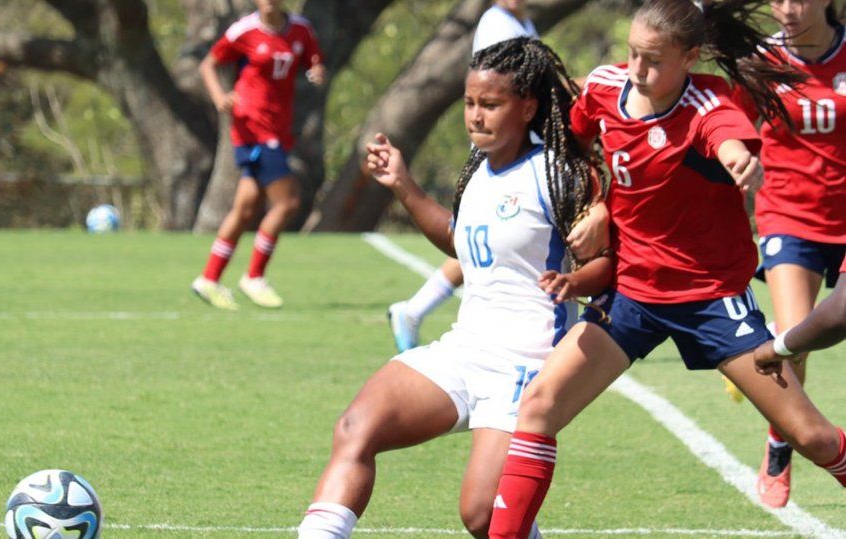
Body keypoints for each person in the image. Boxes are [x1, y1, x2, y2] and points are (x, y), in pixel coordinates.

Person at [487, 2, 846, 537]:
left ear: (690, 57)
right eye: (632, 52)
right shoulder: (607, 88)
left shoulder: (708, 103)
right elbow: (581, 143)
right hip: (632, 294)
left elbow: (727, 138)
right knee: (538, 406)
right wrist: (596, 206)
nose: (637, 68)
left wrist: (738, 160)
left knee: (811, 437)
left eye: (653, 59)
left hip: (710, 299)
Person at [297, 38, 611, 539]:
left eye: (491, 104)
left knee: (483, 515)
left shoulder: (557, 173)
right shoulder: (479, 169)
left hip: (526, 367)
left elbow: (610, 264)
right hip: (466, 350)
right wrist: (404, 184)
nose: (475, 116)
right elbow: (459, 240)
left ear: (527, 106)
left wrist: (575, 280)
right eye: (469, 103)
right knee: (356, 429)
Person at [387, 0, 607, 352]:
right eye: (468, 104)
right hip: (508, 149)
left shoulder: (522, 22)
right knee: (487, 240)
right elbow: (498, 86)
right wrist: (596, 82)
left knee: (496, 241)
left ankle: (415, 309)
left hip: (524, 153)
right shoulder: (497, 24)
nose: (473, 112)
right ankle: (416, 310)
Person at [729, 0, 845, 508]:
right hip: (788, 218)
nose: (788, 9)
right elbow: (732, 133)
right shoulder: (759, 63)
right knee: (794, 340)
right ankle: (781, 442)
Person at [191, 0, 325, 310]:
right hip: (253, 128)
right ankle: (254, 276)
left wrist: (316, 71)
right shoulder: (244, 31)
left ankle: (209, 278)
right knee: (287, 202)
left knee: (246, 207)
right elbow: (208, 64)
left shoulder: (301, 30)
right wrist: (219, 97)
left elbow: (313, 62)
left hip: (278, 129)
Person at [753, 261, 845, 371]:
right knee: (792, 356)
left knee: (792, 348)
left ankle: (777, 333)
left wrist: (776, 347)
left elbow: (840, 312)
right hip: (800, 245)